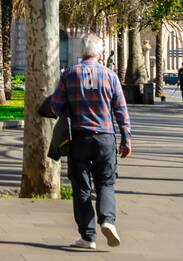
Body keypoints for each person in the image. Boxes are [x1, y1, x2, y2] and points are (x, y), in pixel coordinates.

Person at [48, 33, 131, 249]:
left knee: (82, 187)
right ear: (100, 53)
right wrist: (126, 139)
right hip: (105, 138)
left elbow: (55, 106)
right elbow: (121, 110)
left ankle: (88, 236)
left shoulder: (69, 75)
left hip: (79, 138)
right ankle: (108, 221)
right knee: (106, 182)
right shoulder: (110, 76)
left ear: (81, 52)